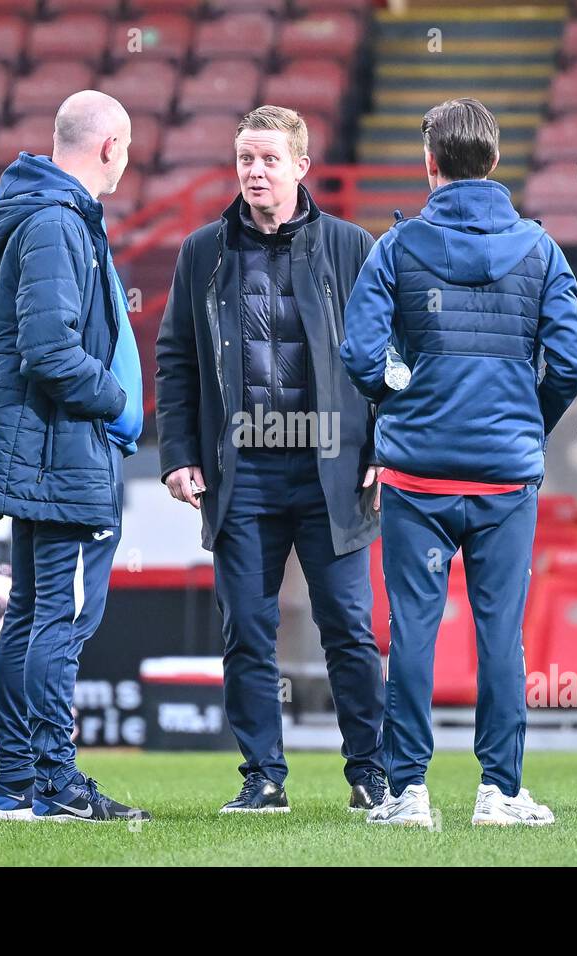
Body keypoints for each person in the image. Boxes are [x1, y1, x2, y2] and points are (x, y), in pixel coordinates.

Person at [340, 98, 577, 828]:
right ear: (492, 161)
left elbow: (362, 356)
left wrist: (401, 394)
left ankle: (407, 794)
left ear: (432, 164)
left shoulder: (397, 246)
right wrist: (528, 421)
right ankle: (500, 794)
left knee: (414, 631)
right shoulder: (541, 250)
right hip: (505, 476)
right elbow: (572, 360)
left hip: (418, 475)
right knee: (500, 634)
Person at [155, 106, 388, 814]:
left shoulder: (353, 246)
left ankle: (370, 774)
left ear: (300, 167)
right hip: (243, 473)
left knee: (347, 626)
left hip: (332, 469)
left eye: (268, 161)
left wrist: (383, 447)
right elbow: (174, 357)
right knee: (247, 631)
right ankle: (264, 777)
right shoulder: (202, 251)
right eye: (245, 161)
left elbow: (388, 356)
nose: (255, 173)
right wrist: (178, 453)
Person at [0, 90, 147, 823]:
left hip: (40, 451)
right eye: (125, 151)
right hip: (59, 454)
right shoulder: (56, 223)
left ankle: (16, 786)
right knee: (58, 620)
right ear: (109, 149)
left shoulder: (42, 215)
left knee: (31, 614)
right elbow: (49, 354)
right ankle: (51, 785)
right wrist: (121, 403)